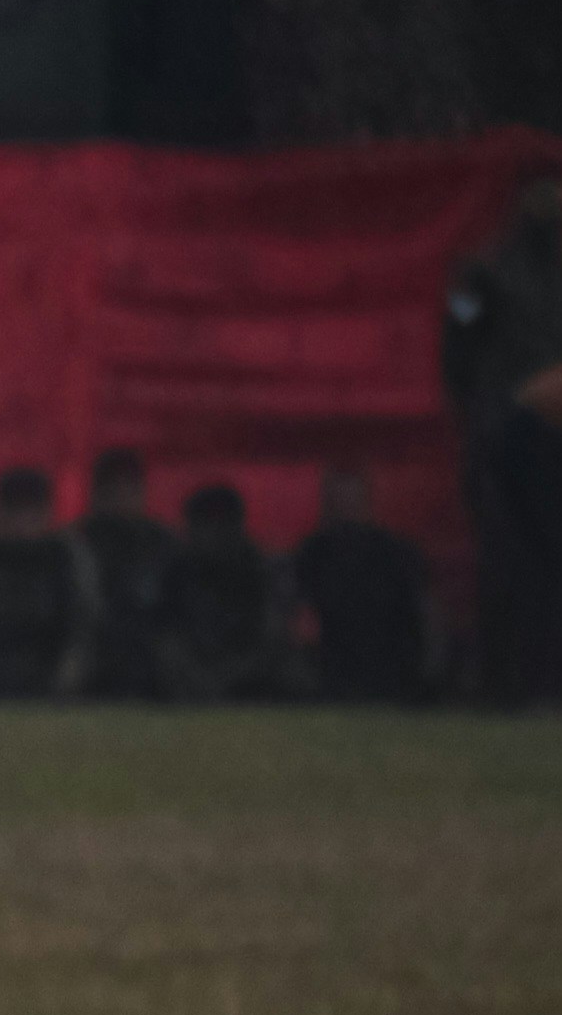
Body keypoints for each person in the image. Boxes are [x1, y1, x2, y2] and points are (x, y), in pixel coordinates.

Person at [450, 174, 562, 705]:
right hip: (504, 440)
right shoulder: (483, 273)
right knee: (506, 565)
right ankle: (503, 684)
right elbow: (458, 347)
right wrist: (489, 410)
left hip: (548, 442)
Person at [292, 462, 436, 704]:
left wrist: (430, 670)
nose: (346, 510)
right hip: (334, 670)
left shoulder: (398, 553)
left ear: (367, 502)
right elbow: (299, 615)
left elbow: (429, 612)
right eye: (338, 502)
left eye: (352, 501)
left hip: (393, 666)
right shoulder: (312, 553)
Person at [0, 464, 97, 699]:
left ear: (46, 513)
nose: (22, 521)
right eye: (15, 511)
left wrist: (70, 668)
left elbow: (82, 619)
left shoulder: (64, 558)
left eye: (30, 512)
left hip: (48, 667)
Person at [157, 483, 284, 700]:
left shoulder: (257, 571)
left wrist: (225, 677)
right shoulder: (177, 571)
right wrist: (197, 676)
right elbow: (166, 635)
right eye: (202, 524)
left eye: (217, 524)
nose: (209, 533)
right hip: (187, 686)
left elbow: (270, 640)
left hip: (252, 685)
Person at [75, 449, 181, 700]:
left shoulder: (163, 542)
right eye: (111, 488)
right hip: (95, 648)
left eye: (128, 486)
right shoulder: (77, 542)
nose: (120, 496)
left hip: (150, 651)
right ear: (96, 493)